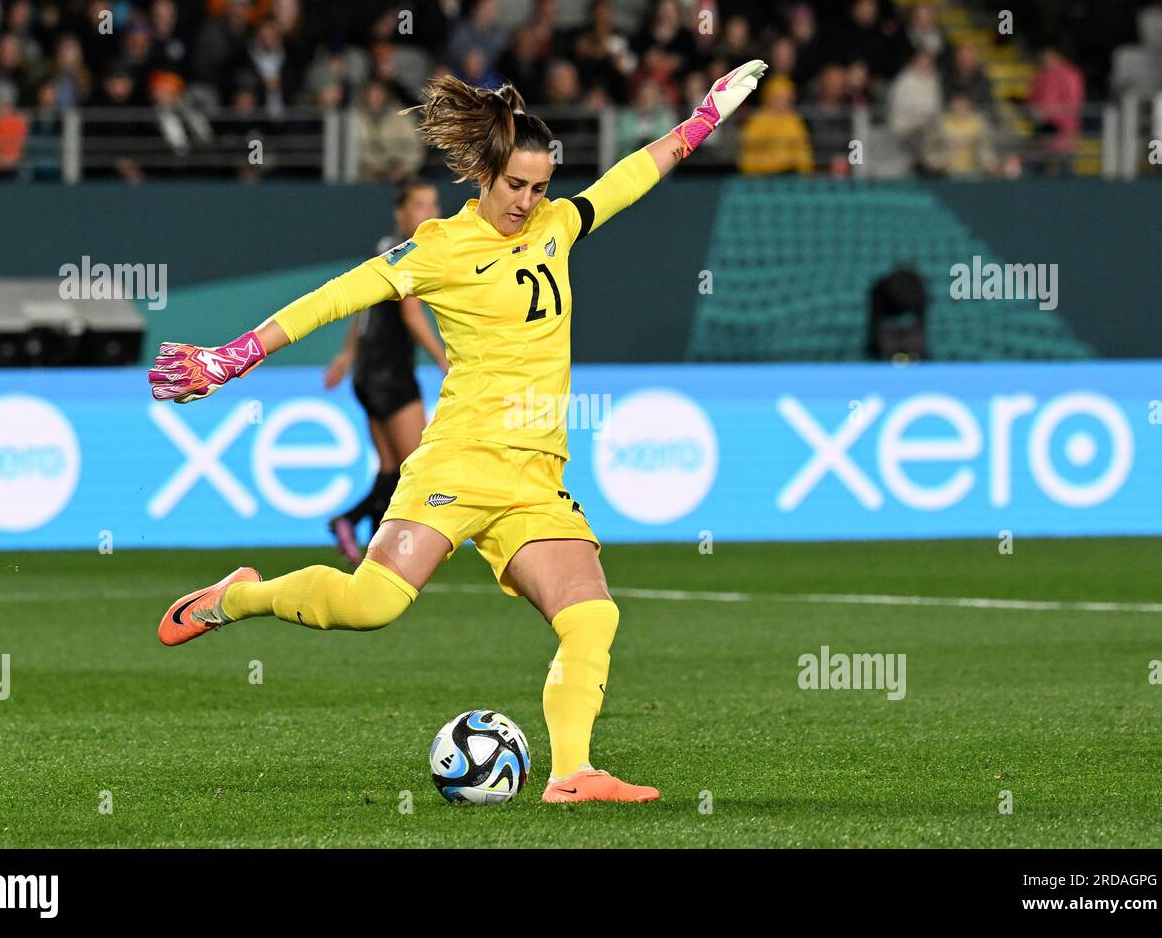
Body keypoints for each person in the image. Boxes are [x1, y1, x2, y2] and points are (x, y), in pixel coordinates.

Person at [148, 59, 769, 804]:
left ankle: (571, 775)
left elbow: (633, 176)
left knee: (593, 616)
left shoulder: (557, 225)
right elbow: (338, 295)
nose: (529, 201)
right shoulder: (439, 247)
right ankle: (239, 597)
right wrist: (240, 353)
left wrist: (703, 118)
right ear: (485, 173)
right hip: (463, 458)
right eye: (517, 186)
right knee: (370, 605)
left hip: (536, 476)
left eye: (541, 186)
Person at [325, 178, 450, 565]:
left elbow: (362, 305)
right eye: (420, 205)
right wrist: (446, 360)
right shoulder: (410, 253)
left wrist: (347, 354)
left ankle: (376, 552)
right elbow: (412, 316)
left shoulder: (384, 250)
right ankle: (352, 521)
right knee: (413, 467)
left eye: (433, 204)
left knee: (390, 466)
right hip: (391, 374)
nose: (430, 212)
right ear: (401, 213)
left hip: (367, 372)